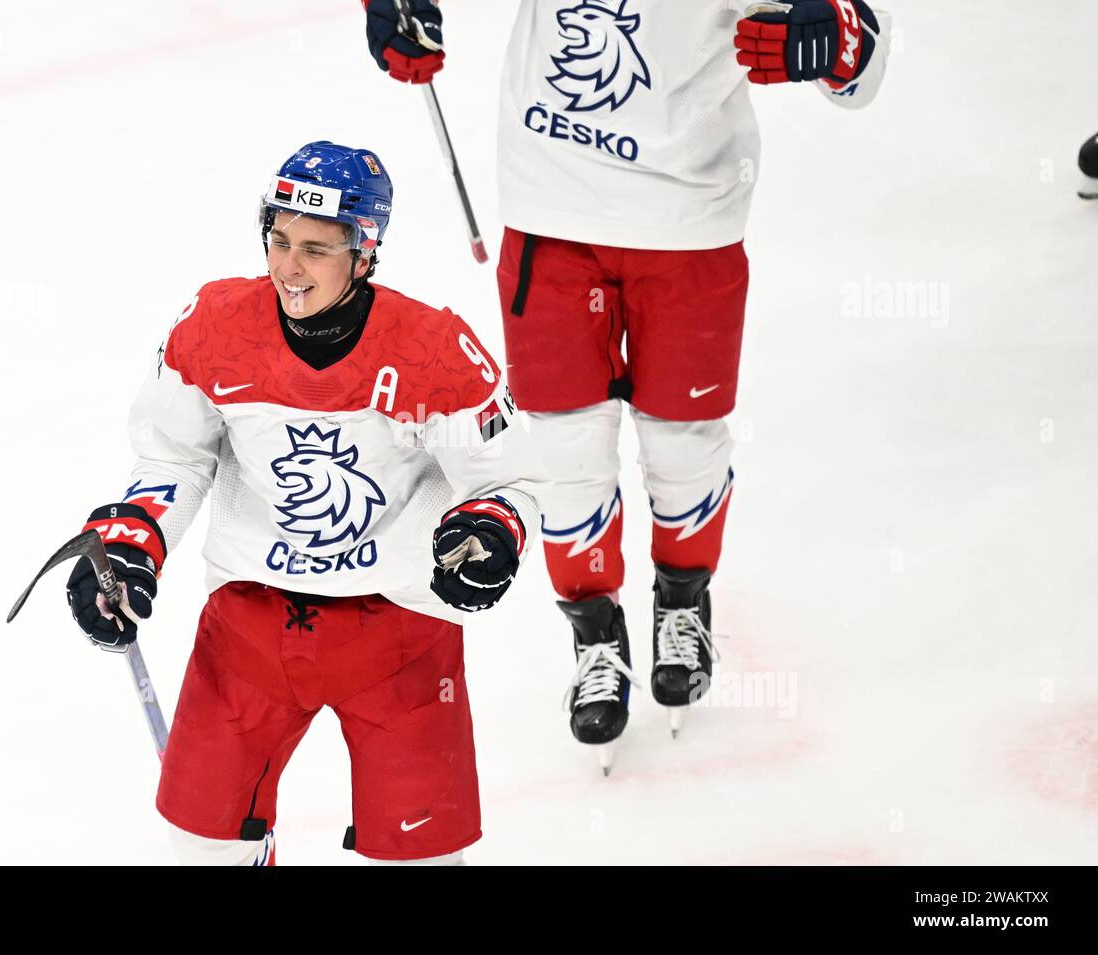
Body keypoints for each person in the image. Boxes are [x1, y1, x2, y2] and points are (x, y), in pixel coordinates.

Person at [364, 0, 892, 764]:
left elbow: (863, 71)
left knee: (685, 444)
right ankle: (594, 634)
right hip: (551, 210)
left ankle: (682, 597)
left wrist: (841, 37)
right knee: (564, 450)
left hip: (690, 220)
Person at [65, 141, 544, 864]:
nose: (289, 266)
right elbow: (174, 451)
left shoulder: (433, 351)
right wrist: (133, 537)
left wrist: (492, 530)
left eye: (316, 249)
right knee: (202, 842)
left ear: (364, 253)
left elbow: (508, 478)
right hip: (250, 628)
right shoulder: (216, 326)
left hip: (401, 636)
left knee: (421, 856)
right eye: (280, 239)